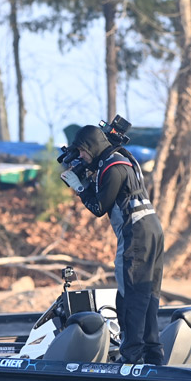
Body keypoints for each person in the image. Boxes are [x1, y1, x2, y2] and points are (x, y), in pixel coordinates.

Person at [70, 124, 164, 365]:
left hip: (136, 233)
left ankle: (131, 357)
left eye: (81, 151)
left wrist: (79, 187)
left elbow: (98, 207)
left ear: (91, 147)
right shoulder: (123, 158)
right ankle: (153, 355)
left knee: (129, 296)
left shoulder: (111, 167)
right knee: (148, 295)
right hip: (153, 227)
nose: (81, 157)